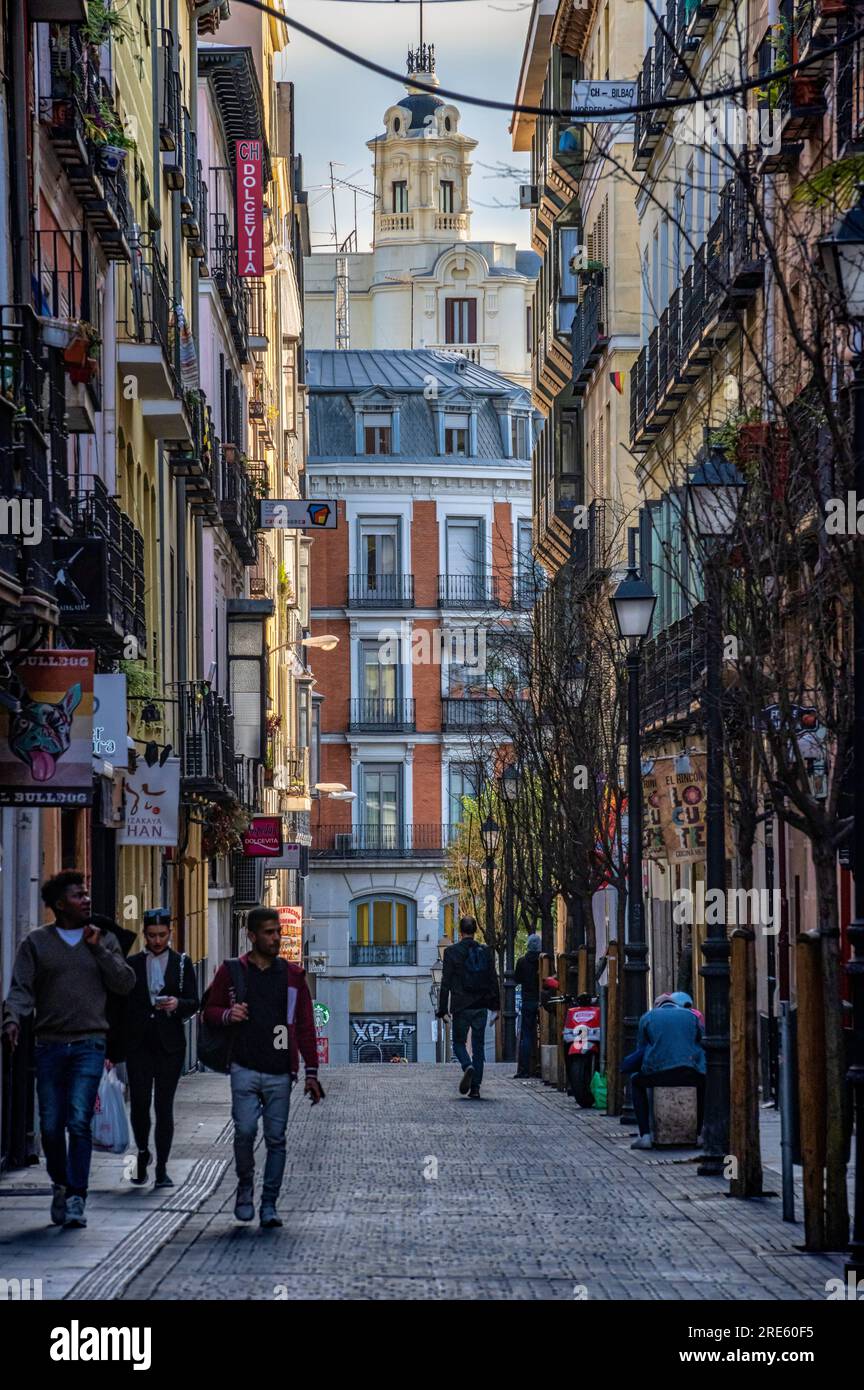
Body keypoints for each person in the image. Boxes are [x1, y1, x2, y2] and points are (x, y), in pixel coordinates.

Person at [1, 871, 135, 1228]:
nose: (87, 900)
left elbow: (125, 983)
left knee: (78, 1120)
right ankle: (60, 1184)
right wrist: (11, 1019)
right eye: (79, 895)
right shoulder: (37, 943)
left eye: (87, 893)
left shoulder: (103, 939)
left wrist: (98, 950)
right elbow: (20, 989)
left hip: (90, 1043)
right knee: (50, 1125)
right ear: (60, 904)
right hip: (49, 1045)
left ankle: (77, 1195)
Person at [202, 906, 324, 1227]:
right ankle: (245, 1187)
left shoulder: (293, 977)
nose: (276, 938)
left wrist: (311, 1071)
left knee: (276, 1138)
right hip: (243, 1065)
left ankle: (269, 1203)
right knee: (243, 1132)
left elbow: (305, 1026)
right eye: (269, 933)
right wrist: (229, 1015)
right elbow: (209, 1011)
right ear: (252, 936)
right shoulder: (232, 972)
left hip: (280, 1070)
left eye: (278, 932)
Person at [125, 913, 199, 1188]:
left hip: (170, 1045)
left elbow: (195, 1001)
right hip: (139, 1044)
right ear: (145, 934)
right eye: (152, 935)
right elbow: (124, 1006)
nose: (157, 941)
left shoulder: (182, 963)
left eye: (162, 935)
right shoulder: (132, 964)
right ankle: (143, 1153)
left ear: (170, 933)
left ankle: (163, 1169)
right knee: (140, 1104)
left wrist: (177, 1004)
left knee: (164, 1106)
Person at [629, 993, 706, 1150]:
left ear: (658, 1006)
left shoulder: (648, 1017)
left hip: (657, 1074)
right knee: (704, 1085)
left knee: (636, 1081)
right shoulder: (691, 1016)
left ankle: (645, 1135)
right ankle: (699, 1134)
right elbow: (701, 1039)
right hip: (688, 1072)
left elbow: (641, 1048)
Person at [436, 916, 500, 1100]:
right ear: (475, 931)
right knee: (478, 1047)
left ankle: (466, 1065)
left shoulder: (451, 952)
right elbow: (492, 979)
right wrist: (496, 1008)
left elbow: (445, 982)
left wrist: (443, 1010)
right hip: (481, 1006)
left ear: (460, 931)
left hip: (461, 1006)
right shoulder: (486, 951)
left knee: (458, 1043)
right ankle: (476, 1088)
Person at [513, 932, 542, 1078]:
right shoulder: (543, 961)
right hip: (542, 1001)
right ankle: (540, 1066)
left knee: (526, 1035)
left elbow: (517, 979)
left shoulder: (522, 961)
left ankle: (524, 1069)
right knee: (543, 1034)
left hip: (527, 1000)